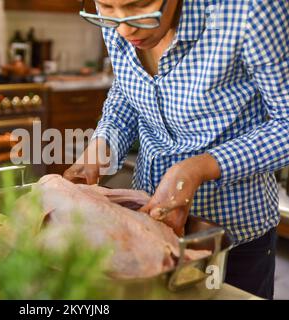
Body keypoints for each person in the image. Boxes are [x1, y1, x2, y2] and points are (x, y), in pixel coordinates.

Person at [63, 0, 289, 299]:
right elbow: (126, 98)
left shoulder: (250, 10)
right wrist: (96, 155)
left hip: (233, 239)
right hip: (145, 234)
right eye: (106, 6)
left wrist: (195, 169)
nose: (125, 28)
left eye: (140, 6)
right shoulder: (118, 23)